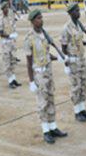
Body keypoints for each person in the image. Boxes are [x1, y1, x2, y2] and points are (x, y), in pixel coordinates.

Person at [24, 9, 67, 144]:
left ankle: (53, 127)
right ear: (32, 22)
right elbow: (29, 61)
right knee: (42, 103)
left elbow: (46, 54)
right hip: (39, 73)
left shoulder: (44, 35)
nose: (41, 20)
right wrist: (31, 81)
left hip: (48, 71)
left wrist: (58, 58)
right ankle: (46, 131)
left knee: (51, 99)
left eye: (41, 18)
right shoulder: (29, 38)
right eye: (38, 18)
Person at [60, 2, 86, 123]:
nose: (78, 13)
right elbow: (64, 47)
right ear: (70, 13)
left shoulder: (79, 26)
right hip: (73, 61)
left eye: (79, 10)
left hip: (81, 59)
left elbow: (78, 41)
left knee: (83, 84)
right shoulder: (66, 28)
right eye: (76, 11)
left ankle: (82, 108)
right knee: (76, 86)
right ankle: (77, 111)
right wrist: (66, 62)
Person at [0, 0, 20, 89]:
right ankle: (10, 81)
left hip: (11, 43)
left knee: (12, 61)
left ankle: (13, 79)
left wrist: (13, 34)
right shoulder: (1, 19)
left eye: (7, 7)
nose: (7, 9)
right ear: (3, 9)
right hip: (6, 43)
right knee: (7, 62)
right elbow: (1, 33)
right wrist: (10, 35)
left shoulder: (9, 18)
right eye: (6, 8)